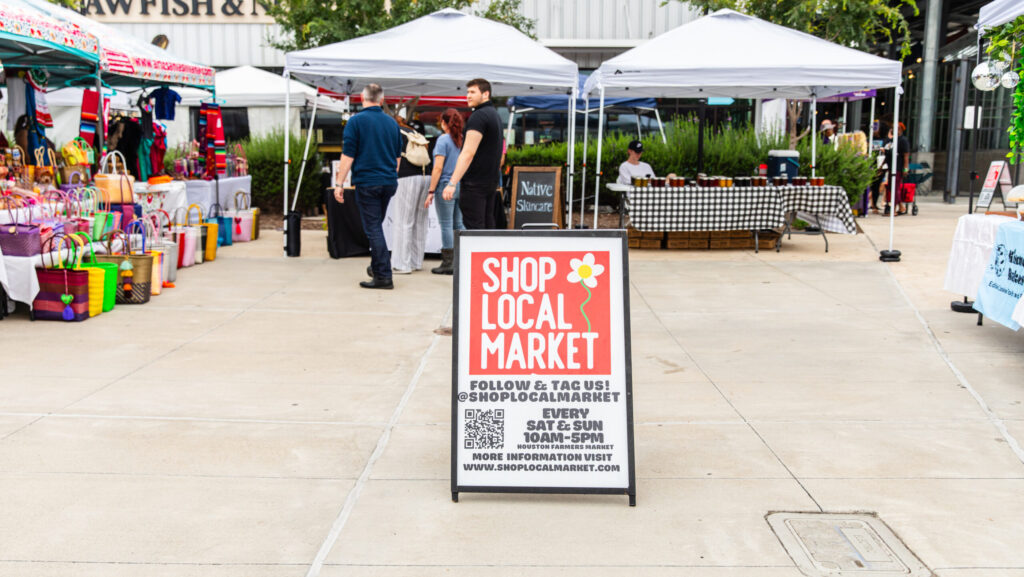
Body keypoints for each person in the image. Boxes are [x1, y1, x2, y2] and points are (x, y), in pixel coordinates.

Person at [333, 83, 402, 290]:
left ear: (362, 98)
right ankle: (376, 266)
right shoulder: (392, 124)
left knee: (373, 228)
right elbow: (398, 157)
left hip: (368, 182)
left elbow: (348, 155)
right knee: (376, 226)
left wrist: (339, 183)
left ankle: (383, 275)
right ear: (381, 100)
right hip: (388, 181)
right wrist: (390, 175)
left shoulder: (356, 122)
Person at [443, 78, 503, 230]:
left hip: (475, 184)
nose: (468, 96)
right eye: (467, 92)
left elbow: (468, 153)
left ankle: (480, 254)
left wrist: (452, 183)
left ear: (485, 94)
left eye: (472, 92)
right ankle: (488, 254)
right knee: (488, 226)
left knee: (476, 229)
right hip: (490, 182)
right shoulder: (494, 115)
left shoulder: (479, 116)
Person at [390, 115, 432, 274]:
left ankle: (402, 264)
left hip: (407, 176)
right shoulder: (413, 132)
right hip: (425, 174)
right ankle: (416, 261)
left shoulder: (393, 132)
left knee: (403, 221)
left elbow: (394, 158)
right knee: (420, 221)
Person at [425, 108, 464, 275]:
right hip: (458, 184)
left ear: (444, 123)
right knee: (458, 223)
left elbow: (438, 167)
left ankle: (448, 263)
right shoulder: (460, 140)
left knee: (446, 224)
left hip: (444, 185)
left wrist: (431, 190)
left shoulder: (443, 140)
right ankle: (464, 257)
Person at [884, 122, 911, 216]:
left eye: (898, 128)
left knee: (895, 188)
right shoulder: (892, 139)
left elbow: (906, 155)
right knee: (891, 188)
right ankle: (901, 206)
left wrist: (905, 169)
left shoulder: (903, 140)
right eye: (893, 128)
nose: (895, 130)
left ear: (901, 129)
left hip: (898, 167)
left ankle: (893, 209)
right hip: (890, 166)